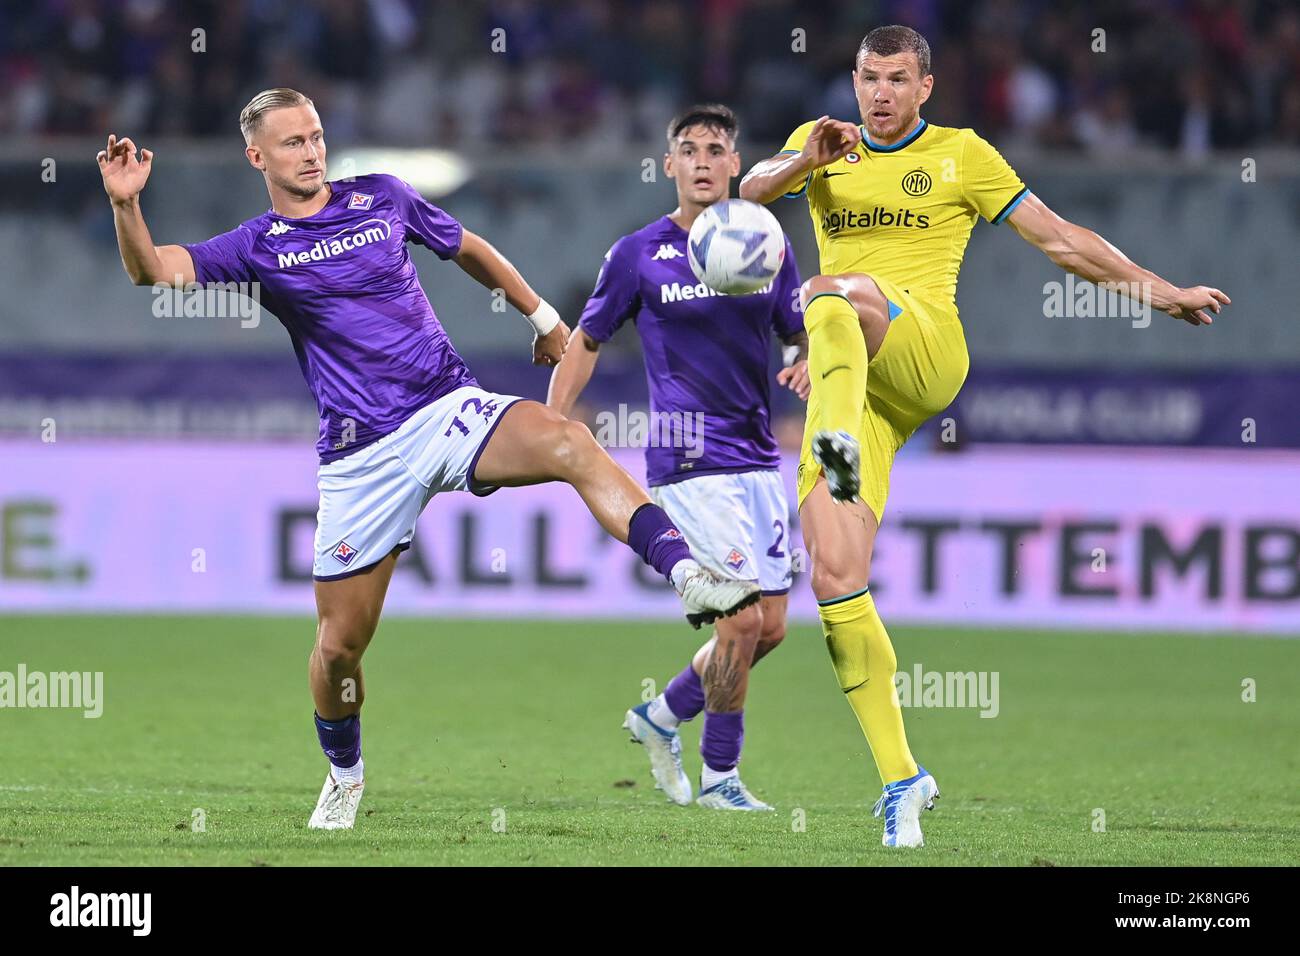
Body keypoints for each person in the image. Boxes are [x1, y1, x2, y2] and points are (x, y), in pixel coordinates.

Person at [98, 88, 760, 830]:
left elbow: (468, 248)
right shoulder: (257, 245)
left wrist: (544, 318)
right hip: (359, 459)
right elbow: (153, 272)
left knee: (570, 439)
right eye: (292, 143)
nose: (312, 151)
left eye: (316, 136)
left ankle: (686, 573)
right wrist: (127, 206)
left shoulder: (382, 197)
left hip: (446, 408)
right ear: (258, 156)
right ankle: (344, 773)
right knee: (339, 650)